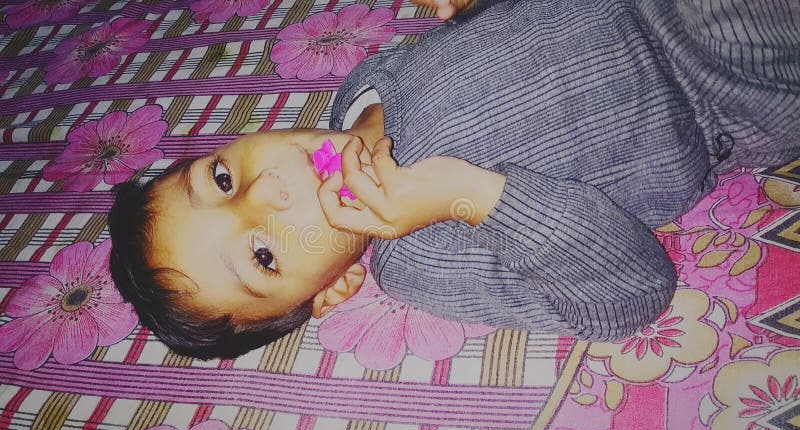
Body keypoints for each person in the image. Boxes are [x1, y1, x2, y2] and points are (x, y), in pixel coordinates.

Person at [108, 0, 800, 359]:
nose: (269, 193)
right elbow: (629, 296)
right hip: (720, 81)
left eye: (223, 178)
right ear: (335, 289)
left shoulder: (360, 91)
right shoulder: (424, 258)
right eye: (264, 254)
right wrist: (474, 196)